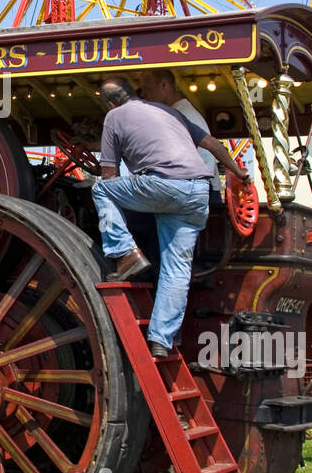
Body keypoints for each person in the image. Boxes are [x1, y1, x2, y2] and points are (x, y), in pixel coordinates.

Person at [91, 76, 250, 358]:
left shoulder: (114, 117)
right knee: (176, 269)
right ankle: (162, 340)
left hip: (163, 185)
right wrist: (238, 172)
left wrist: (118, 214)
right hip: (197, 192)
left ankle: (125, 252)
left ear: (110, 103)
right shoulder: (171, 112)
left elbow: (109, 175)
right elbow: (213, 145)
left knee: (101, 190)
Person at [139, 69, 222, 197]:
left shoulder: (178, 115)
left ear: (163, 86)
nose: (143, 93)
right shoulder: (181, 111)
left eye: (146, 88)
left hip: (197, 189)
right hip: (201, 187)